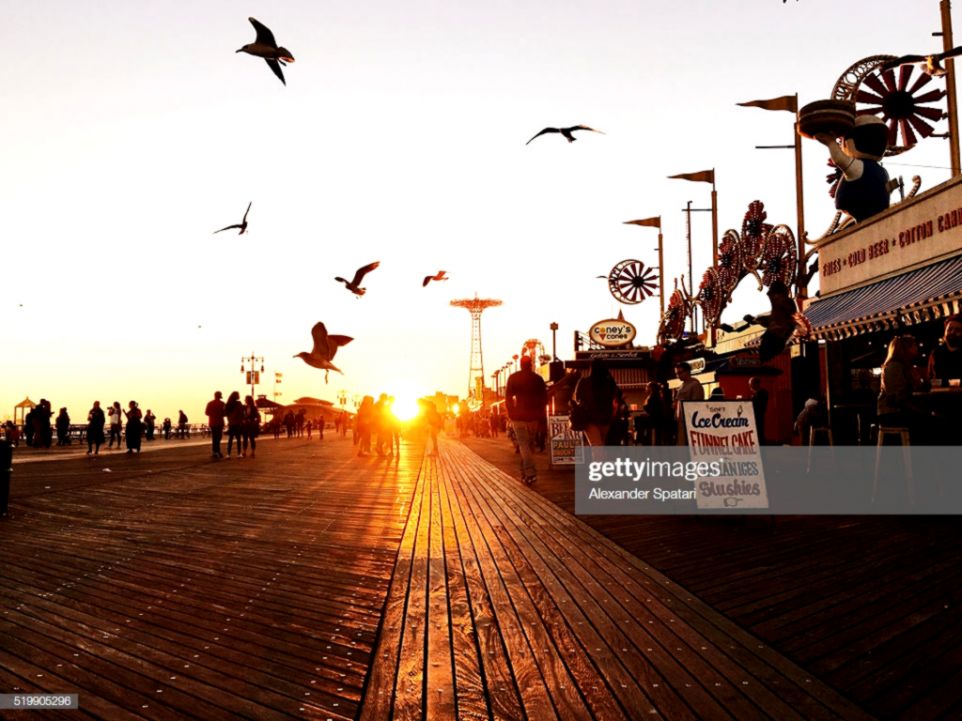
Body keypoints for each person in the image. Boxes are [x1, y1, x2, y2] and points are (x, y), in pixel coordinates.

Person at [815, 115, 893, 223]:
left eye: (842, 140)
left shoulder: (860, 166)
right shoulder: (882, 171)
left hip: (865, 215)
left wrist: (831, 142)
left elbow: (839, 160)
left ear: (850, 141)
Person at [505, 354, 548, 483]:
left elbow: (508, 397)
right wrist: (540, 414)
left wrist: (511, 412)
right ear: (531, 364)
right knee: (529, 446)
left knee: (524, 446)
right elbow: (544, 399)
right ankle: (527, 473)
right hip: (533, 417)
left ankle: (528, 473)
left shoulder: (513, 378)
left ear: (520, 364)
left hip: (518, 417)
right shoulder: (538, 379)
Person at [878, 334, 927, 441]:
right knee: (929, 420)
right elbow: (896, 397)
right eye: (914, 345)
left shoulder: (906, 367)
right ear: (905, 349)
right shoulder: (894, 366)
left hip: (899, 410)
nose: (917, 348)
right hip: (891, 413)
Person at [673, 362, 705, 445]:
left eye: (680, 373)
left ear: (687, 372)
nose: (678, 376)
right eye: (676, 373)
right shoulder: (681, 386)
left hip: (689, 422)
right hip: (681, 421)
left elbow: (697, 404)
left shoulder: (695, 385)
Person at [927, 314, 962, 386]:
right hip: (940, 395)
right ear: (945, 331)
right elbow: (930, 379)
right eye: (949, 329)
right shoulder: (936, 353)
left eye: (957, 330)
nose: (952, 332)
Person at [205, 391, 226, 458]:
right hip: (219, 422)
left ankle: (215, 452)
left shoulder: (210, 403)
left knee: (215, 437)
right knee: (218, 437)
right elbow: (225, 413)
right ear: (220, 396)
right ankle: (217, 451)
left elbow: (206, 413)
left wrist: (213, 414)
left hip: (213, 422)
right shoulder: (222, 404)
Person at [748, 377, 769, 445]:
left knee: (759, 434)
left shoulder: (762, 393)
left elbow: (758, 405)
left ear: (756, 384)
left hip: (758, 416)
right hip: (757, 416)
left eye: (751, 384)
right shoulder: (758, 394)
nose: (750, 386)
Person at [225, 391, 245, 458]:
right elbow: (241, 413)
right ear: (237, 396)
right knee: (238, 439)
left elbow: (225, 413)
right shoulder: (238, 403)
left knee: (230, 439)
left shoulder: (228, 404)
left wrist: (230, 419)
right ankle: (239, 454)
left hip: (231, 423)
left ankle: (228, 454)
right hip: (237, 423)